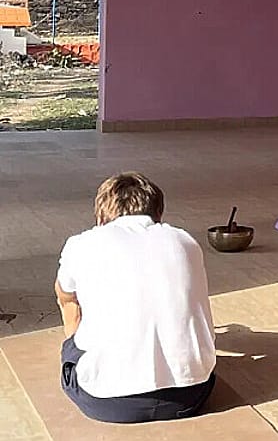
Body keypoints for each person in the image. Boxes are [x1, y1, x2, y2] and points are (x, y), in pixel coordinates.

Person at [54, 173, 217, 424]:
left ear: (100, 215)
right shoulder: (185, 240)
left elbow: (66, 296)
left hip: (107, 402)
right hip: (191, 396)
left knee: (71, 346)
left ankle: (83, 357)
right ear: (157, 212)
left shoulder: (82, 243)